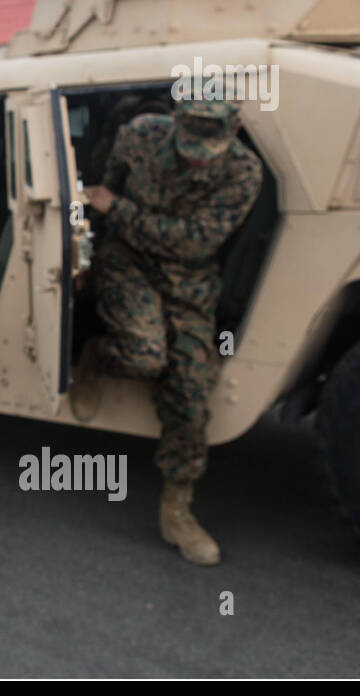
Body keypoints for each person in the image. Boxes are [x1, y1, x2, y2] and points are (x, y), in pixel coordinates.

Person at [75, 96, 263, 566]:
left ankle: (176, 511)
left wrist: (116, 209)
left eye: (209, 145)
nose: (198, 155)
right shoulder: (138, 134)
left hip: (190, 280)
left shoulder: (243, 172)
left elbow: (192, 239)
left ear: (235, 127)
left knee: (194, 391)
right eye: (189, 142)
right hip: (128, 263)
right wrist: (79, 252)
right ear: (174, 120)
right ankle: (96, 355)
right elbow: (97, 193)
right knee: (144, 356)